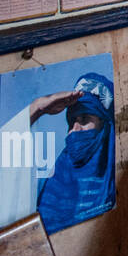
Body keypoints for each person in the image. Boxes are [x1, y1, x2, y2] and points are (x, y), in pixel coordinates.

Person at [35, 73, 117, 233]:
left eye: (85, 119)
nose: (75, 130)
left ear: (105, 126)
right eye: (72, 121)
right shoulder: (58, 174)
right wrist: (37, 108)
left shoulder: (118, 175)